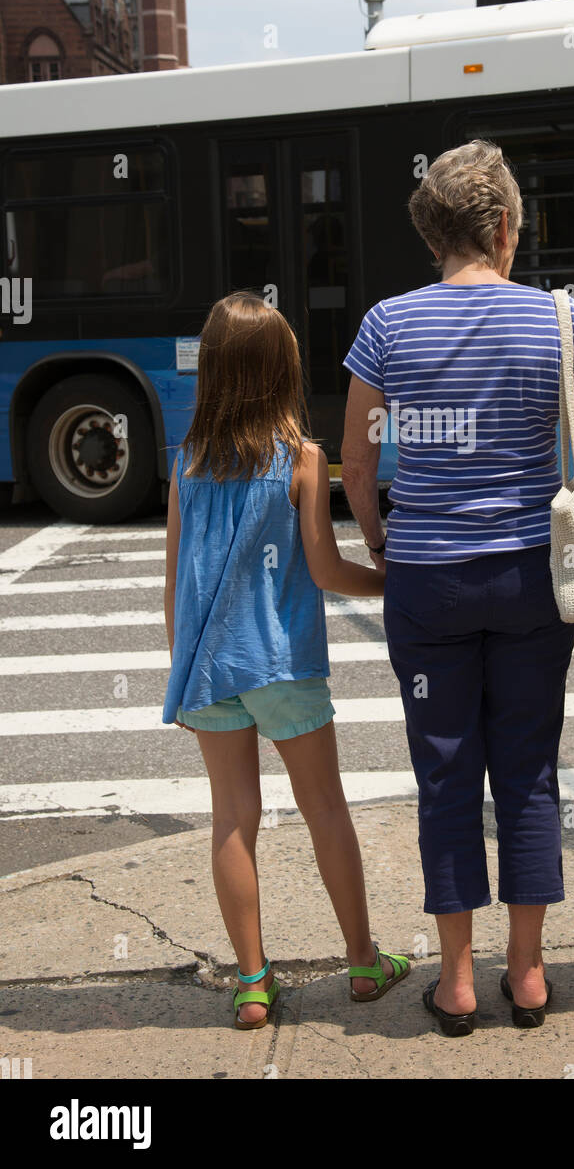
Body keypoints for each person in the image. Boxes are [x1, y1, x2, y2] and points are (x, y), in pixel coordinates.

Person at [341, 141, 574, 1035]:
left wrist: (385, 539)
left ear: (434, 233)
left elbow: (356, 458)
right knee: (526, 769)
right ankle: (530, 972)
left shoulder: (386, 324)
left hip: (427, 585)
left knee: (442, 774)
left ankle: (458, 980)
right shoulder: (559, 320)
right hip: (529, 582)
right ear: (504, 228)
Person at [163, 291, 409, 1029]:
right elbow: (327, 571)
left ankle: (251, 982)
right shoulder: (301, 460)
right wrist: (393, 582)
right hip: (282, 664)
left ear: (210, 370)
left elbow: (176, 584)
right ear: (283, 371)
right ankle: (363, 964)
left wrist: (183, 666)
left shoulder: (186, 464)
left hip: (209, 666)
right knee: (324, 807)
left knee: (233, 818)